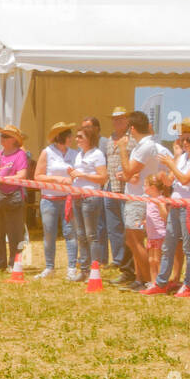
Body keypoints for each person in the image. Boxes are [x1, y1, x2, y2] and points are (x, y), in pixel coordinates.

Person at [144, 118, 190, 296]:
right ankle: (161, 282)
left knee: (189, 247)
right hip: (177, 203)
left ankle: (189, 284)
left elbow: (186, 179)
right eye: (183, 139)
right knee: (169, 244)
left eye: (189, 139)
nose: (185, 143)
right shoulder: (181, 157)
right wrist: (164, 175)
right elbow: (172, 181)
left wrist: (171, 165)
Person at [119, 110, 161, 291]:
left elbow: (129, 171)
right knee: (132, 240)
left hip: (139, 198)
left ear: (133, 128)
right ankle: (141, 278)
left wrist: (121, 149)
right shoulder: (142, 146)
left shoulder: (145, 146)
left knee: (135, 240)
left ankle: (148, 280)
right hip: (135, 196)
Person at [35, 122, 80, 280]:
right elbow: (38, 176)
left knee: (70, 233)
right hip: (49, 199)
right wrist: (57, 179)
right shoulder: (47, 152)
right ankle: (49, 267)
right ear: (62, 137)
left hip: (68, 198)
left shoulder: (75, 154)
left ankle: (72, 267)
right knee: (49, 233)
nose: (72, 138)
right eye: (69, 135)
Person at [68, 123, 109, 277]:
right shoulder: (79, 155)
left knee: (91, 235)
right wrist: (73, 174)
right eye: (76, 136)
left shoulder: (97, 154)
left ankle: (94, 269)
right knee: (80, 234)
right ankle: (84, 269)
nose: (77, 139)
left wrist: (82, 175)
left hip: (90, 197)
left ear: (89, 139)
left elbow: (103, 177)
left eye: (80, 137)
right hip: (77, 196)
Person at [103, 106, 135, 286]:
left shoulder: (131, 140)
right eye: (115, 119)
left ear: (127, 121)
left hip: (125, 188)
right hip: (110, 187)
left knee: (127, 228)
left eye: (121, 119)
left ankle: (127, 263)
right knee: (113, 227)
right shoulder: (109, 139)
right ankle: (117, 258)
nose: (117, 122)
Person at [0, 125, 29, 271]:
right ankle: (0, 262)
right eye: (1, 135)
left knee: (15, 233)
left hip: (14, 196)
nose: (2, 138)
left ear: (14, 140)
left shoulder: (20, 154)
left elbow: (22, 175)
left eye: (6, 136)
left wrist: (2, 179)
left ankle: (15, 263)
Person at [81, 115, 109, 266]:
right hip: (87, 190)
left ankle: (101, 258)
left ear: (97, 128)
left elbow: (106, 165)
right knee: (92, 227)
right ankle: (91, 258)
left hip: (102, 187)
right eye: (84, 127)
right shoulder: (81, 151)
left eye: (88, 127)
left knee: (100, 226)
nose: (86, 130)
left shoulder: (104, 143)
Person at [144, 173, 171, 282]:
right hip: (151, 236)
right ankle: (153, 282)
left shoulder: (160, 199)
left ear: (153, 187)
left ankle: (161, 283)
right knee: (151, 260)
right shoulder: (149, 199)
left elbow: (165, 216)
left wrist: (161, 206)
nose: (144, 188)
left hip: (160, 235)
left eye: (145, 185)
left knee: (158, 259)